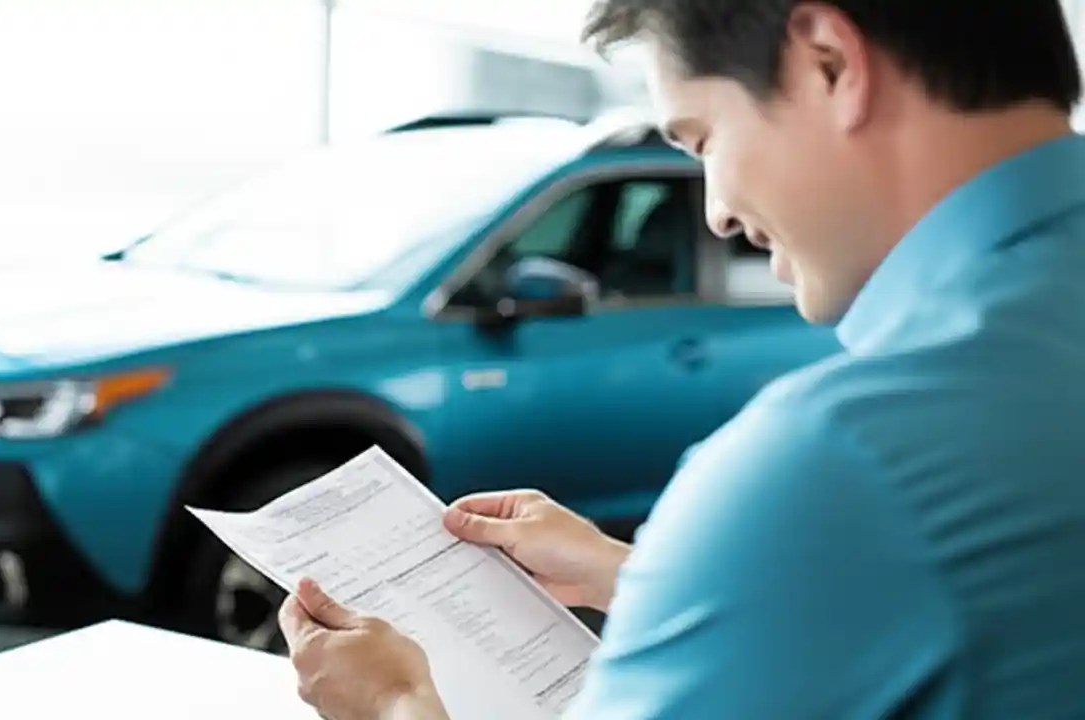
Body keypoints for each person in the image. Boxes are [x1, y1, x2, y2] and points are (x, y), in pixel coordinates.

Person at [277, 1, 1085, 717]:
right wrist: (634, 577)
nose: (720, 211)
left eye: (702, 138)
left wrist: (393, 705)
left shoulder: (841, 462)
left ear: (828, 64)